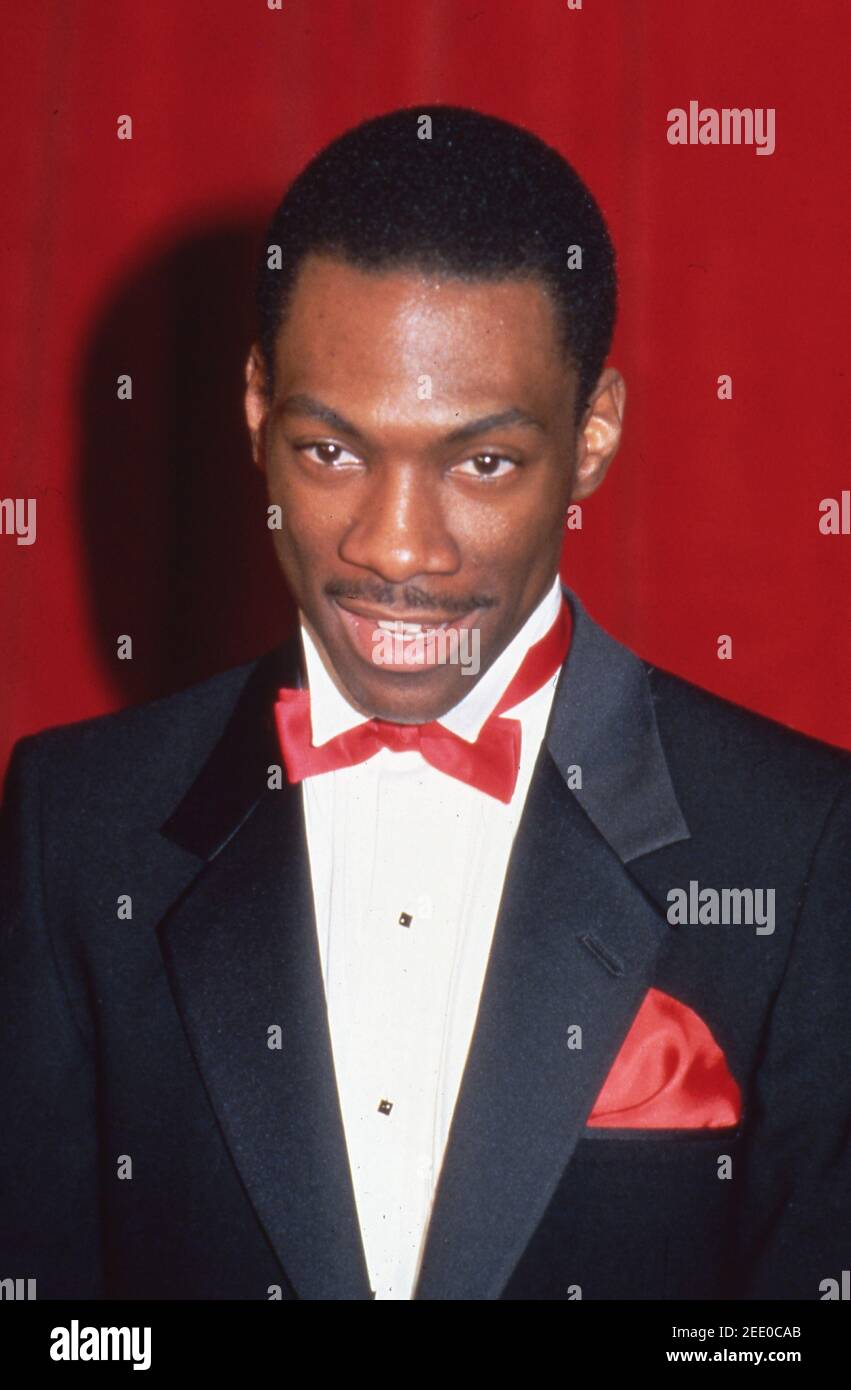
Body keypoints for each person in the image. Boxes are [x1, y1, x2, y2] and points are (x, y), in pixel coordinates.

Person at [1, 105, 849, 1302]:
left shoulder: (803, 843)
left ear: (591, 434)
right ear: (256, 409)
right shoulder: (72, 826)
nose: (394, 548)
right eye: (332, 452)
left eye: (481, 462)